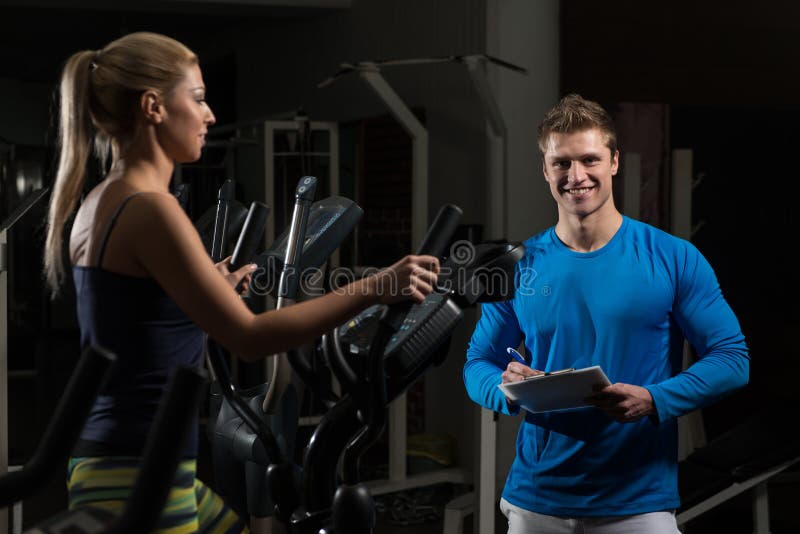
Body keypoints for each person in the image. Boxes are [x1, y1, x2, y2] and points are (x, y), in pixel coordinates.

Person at [43, 32, 439, 533]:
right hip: (139, 472)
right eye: (199, 98)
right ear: (153, 107)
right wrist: (379, 285)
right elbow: (251, 339)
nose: (209, 115)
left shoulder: (104, 198)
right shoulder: (151, 208)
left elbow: (132, 323)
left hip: (117, 458)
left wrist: (209, 291)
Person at [463, 94, 749, 534]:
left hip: (638, 500)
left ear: (613, 162)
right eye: (561, 163)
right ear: (545, 170)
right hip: (537, 499)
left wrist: (655, 399)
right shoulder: (517, 266)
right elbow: (476, 362)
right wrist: (502, 388)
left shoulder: (674, 258)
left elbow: (732, 359)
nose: (576, 176)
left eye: (589, 159)